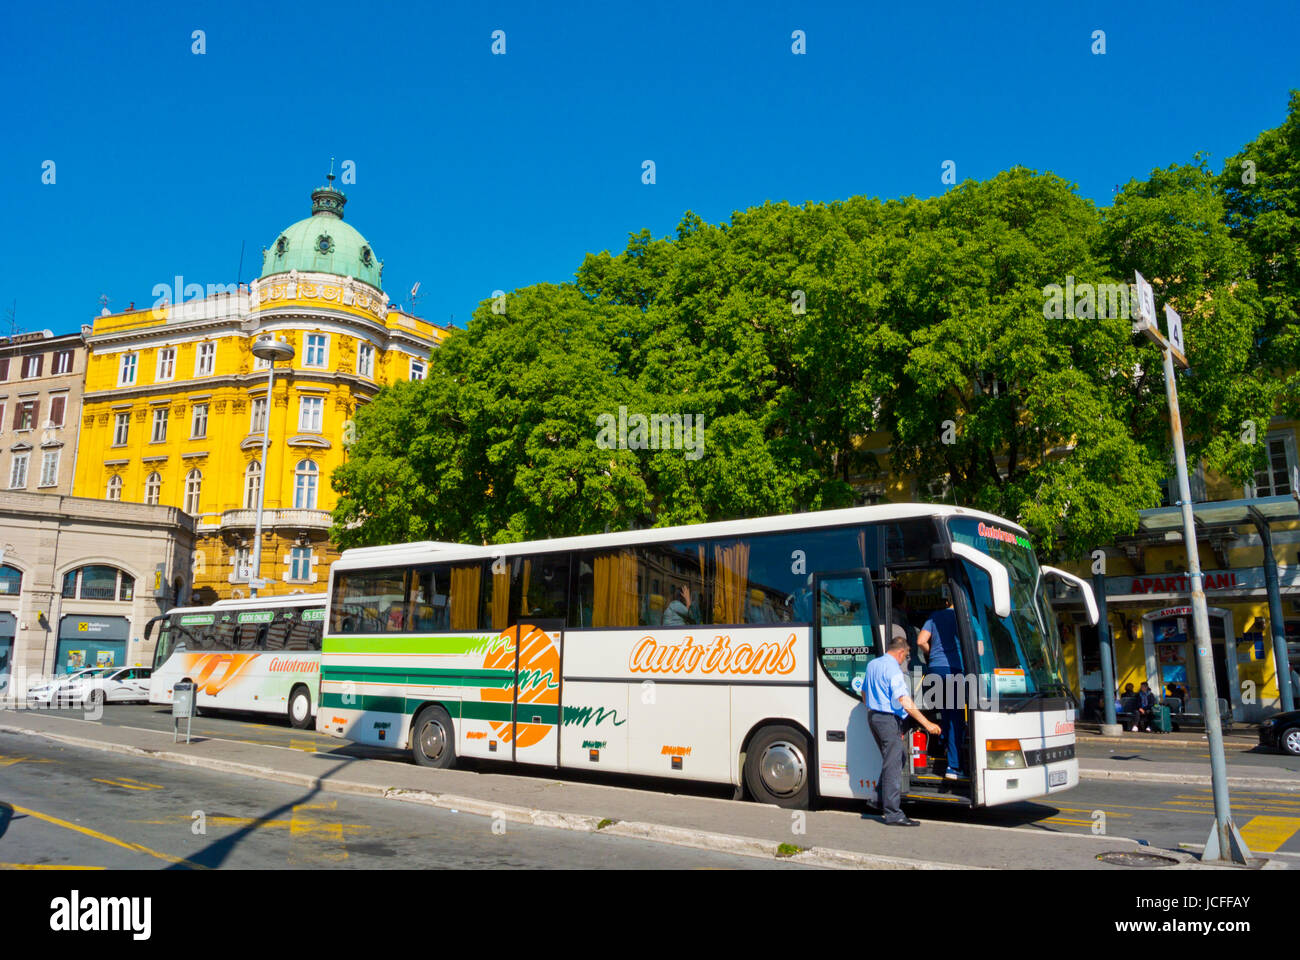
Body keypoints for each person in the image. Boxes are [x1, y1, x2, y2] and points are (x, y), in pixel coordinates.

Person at [864, 634, 942, 826]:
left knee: (895, 758)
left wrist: (872, 709)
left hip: (874, 716)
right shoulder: (893, 670)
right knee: (894, 762)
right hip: (887, 719)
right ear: (900, 652)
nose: (905, 660)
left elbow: (864, 692)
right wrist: (928, 724)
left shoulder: (873, 664)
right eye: (906, 656)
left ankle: (877, 798)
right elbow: (904, 700)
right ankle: (893, 813)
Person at [916, 590, 966, 780]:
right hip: (955, 670)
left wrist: (933, 655)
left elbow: (921, 641)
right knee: (956, 719)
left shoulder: (935, 616)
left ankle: (945, 747)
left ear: (948, 602)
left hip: (936, 670)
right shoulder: (967, 617)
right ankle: (954, 767)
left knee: (945, 712)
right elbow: (979, 649)